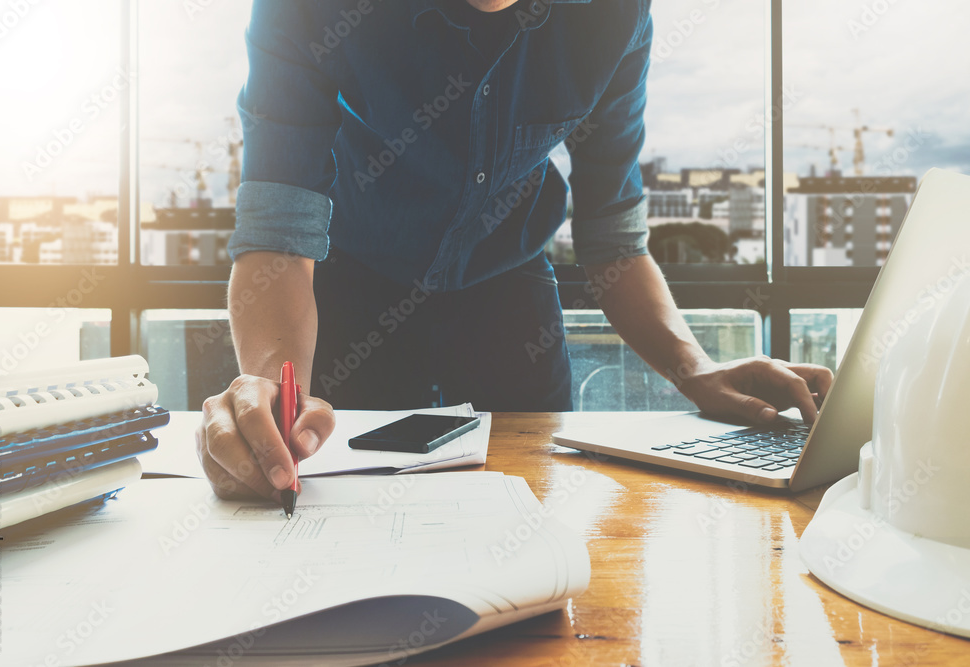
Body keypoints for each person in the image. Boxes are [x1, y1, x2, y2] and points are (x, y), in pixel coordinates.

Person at [196, 0, 833, 501]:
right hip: (343, 288)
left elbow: (613, 239)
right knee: (327, 505)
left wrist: (694, 368)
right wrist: (270, 387)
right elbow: (280, 232)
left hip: (509, 295)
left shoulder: (615, 14)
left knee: (533, 515)